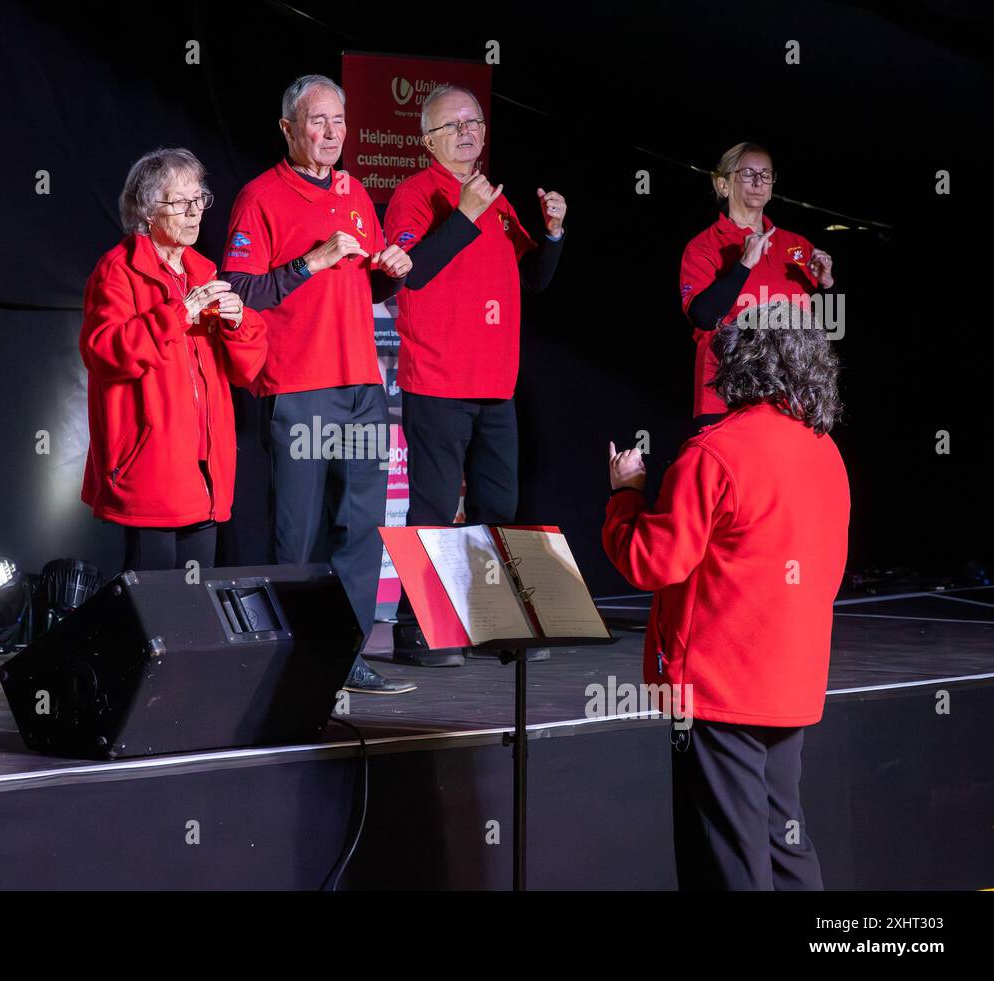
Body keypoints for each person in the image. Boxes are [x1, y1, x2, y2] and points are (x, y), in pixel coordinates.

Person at [603, 297, 850, 890]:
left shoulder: (714, 453)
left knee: (726, 858)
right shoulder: (827, 452)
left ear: (737, 364)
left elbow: (650, 562)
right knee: (784, 840)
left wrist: (626, 493)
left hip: (719, 689)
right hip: (789, 683)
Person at [221, 75, 414, 695]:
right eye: (317, 122)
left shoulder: (357, 191)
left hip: (362, 386)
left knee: (359, 530)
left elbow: (364, 287)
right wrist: (311, 262)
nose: (331, 135)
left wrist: (390, 273)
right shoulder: (258, 197)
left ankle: (345, 654)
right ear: (288, 128)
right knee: (297, 533)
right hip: (301, 388)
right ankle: (291, 657)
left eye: (339, 122)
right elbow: (241, 291)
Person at [383, 83, 567, 667]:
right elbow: (412, 274)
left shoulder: (498, 198)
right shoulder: (414, 196)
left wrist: (555, 234)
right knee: (434, 507)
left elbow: (536, 278)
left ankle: (497, 624)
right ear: (428, 140)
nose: (467, 131)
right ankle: (421, 630)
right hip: (437, 380)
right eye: (453, 125)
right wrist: (463, 215)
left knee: (499, 504)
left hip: (496, 385)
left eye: (475, 122)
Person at [80, 148, 268, 572]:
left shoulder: (204, 272)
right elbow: (106, 352)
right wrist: (179, 315)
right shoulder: (117, 271)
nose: (194, 212)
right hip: (150, 467)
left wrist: (239, 324)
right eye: (179, 203)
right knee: (156, 611)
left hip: (205, 469)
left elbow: (246, 368)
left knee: (195, 606)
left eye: (199, 199)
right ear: (147, 212)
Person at [680, 142, 837, 429]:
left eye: (766, 174)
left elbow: (830, 325)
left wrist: (827, 285)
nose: (758, 181)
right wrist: (743, 266)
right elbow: (702, 317)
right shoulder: (704, 245)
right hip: (725, 395)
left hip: (790, 396)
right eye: (748, 173)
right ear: (723, 185)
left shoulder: (796, 246)